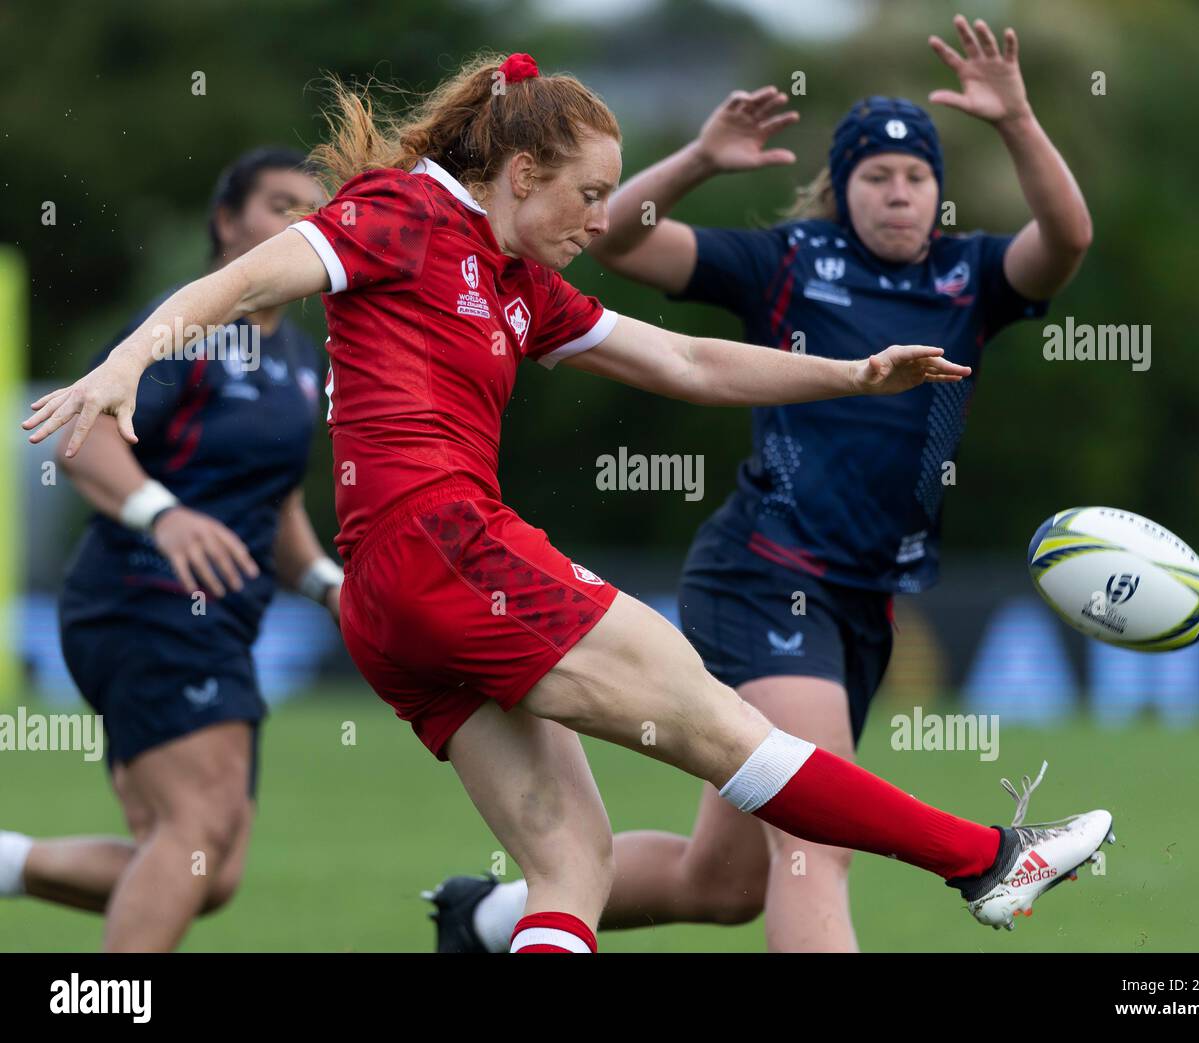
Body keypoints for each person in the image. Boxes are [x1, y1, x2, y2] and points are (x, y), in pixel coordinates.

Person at [24, 50, 1113, 956]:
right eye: (589, 195)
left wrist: (851, 371)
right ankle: (983, 857)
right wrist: (128, 360)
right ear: (521, 170)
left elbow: (685, 360)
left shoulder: (517, 282)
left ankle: (978, 859)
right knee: (732, 729)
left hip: (392, 602)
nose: (603, 220)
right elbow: (243, 279)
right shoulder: (400, 212)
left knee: (572, 866)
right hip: (450, 551)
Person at [429, 16, 1095, 952]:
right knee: (811, 843)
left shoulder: (968, 274)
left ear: (938, 192)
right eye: (877, 175)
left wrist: (1019, 120)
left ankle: (487, 916)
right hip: (767, 574)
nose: (899, 193)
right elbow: (617, 239)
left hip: (865, 597)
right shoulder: (788, 260)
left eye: (917, 177)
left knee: (728, 879)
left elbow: (1066, 241)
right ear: (843, 188)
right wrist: (702, 155)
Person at [1, 148, 341, 952]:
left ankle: (9, 862)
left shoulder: (300, 358)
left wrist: (329, 583)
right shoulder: (185, 326)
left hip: (223, 622)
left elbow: (275, 502)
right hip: (141, 599)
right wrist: (165, 516)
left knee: (206, 869)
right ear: (226, 223)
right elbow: (81, 440)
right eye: (279, 203)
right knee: (197, 825)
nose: (300, 223)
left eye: (314, 210)